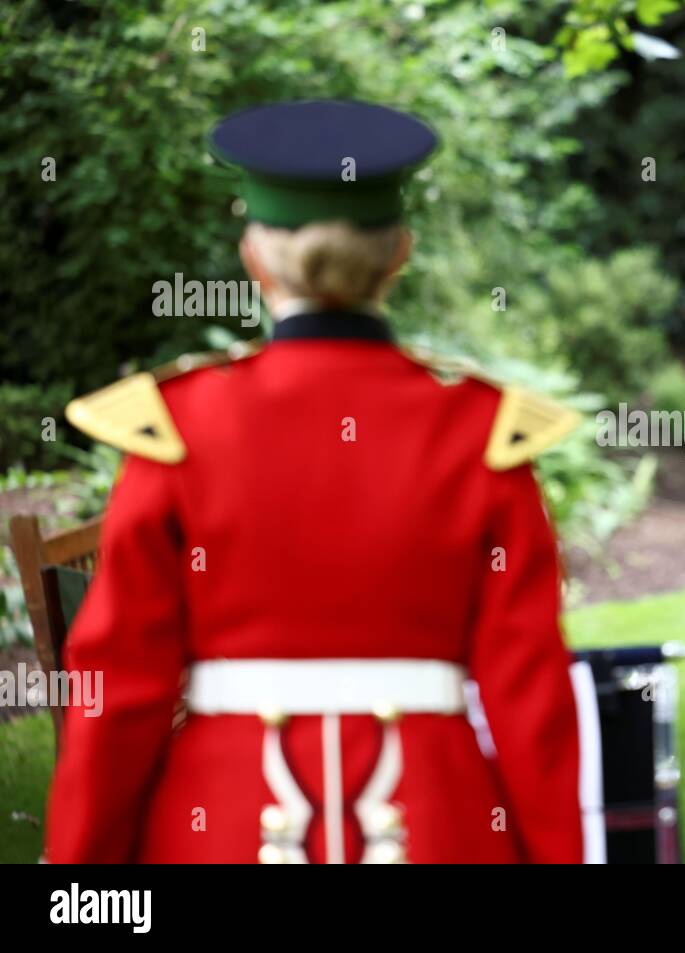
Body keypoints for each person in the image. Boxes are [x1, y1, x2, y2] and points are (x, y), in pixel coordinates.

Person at [43, 100, 585, 863]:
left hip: (221, 826)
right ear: (399, 252)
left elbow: (118, 689)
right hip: (437, 825)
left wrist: (79, 884)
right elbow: (532, 697)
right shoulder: (484, 432)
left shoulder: (174, 425)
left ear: (255, 259)